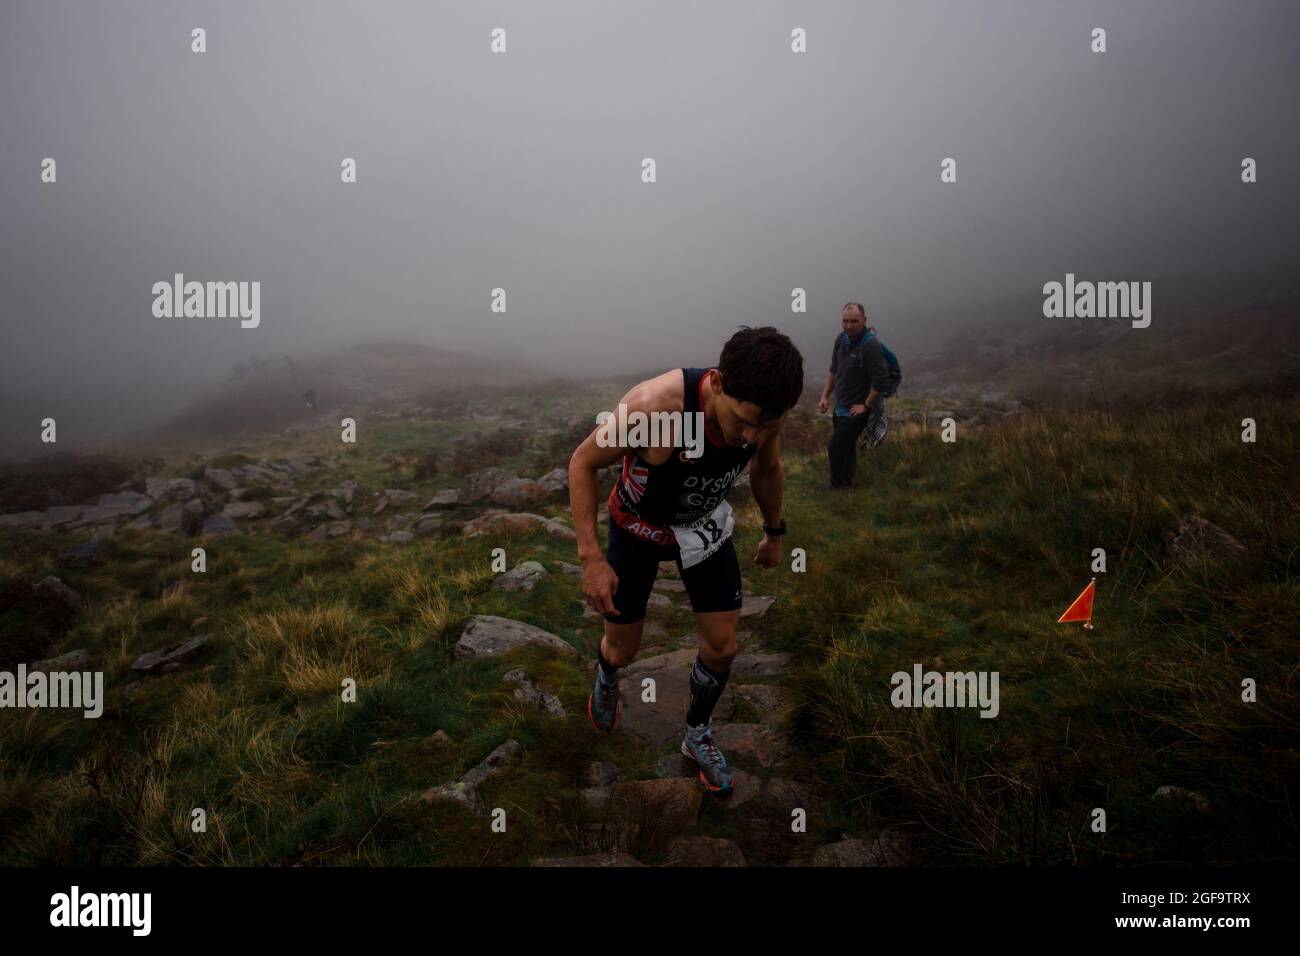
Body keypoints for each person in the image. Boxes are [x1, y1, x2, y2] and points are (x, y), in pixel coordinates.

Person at [568, 327, 803, 793]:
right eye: (743, 420)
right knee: (623, 648)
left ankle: (696, 733)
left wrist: (774, 531)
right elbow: (582, 462)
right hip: (638, 526)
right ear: (717, 383)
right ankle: (608, 675)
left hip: (702, 526)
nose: (749, 435)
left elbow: (766, 466)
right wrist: (591, 559)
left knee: (723, 646)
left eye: (764, 426)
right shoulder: (653, 409)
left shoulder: (764, 416)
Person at [818, 302, 894, 487]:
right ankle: (848, 483)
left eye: (854, 321)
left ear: (864, 320)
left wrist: (865, 406)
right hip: (840, 407)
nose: (849, 326)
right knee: (847, 447)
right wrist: (825, 396)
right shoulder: (841, 339)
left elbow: (881, 380)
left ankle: (837, 488)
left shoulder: (870, 345)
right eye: (845, 321)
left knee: (835, 447)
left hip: (857, 410)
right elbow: (834, 370)